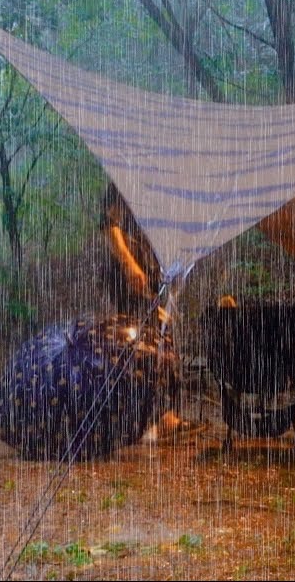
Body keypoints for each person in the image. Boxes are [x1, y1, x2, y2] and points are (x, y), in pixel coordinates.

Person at [98, 182, 205, 444]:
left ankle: (155, 418)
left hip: (151, 272)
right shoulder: (122, 175)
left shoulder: (157, 178)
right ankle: (155, 420)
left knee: (159, 339)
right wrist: (129, 265)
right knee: (147, 343)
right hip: (129, 275)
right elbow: (108, 225)